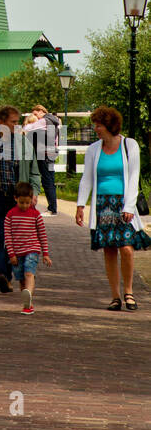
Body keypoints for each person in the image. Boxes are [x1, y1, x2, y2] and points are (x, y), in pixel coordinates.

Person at [76, 105, 151, 310]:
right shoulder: (93, 149)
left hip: (122, 203)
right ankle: (115, 296)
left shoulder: (130, 145)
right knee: (109, 249)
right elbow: (87, 178)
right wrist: (81, 204)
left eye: (98, 125)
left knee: (126, 248)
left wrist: (129, 206)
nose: (96, 129)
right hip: (102, 204)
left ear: (109, 125)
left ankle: (129, 291)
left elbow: (134, 176)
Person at [0, 105, 41, 292]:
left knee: (16, 239)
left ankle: (9, 274)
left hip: (17, 201)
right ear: (1, 123)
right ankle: (2, 275)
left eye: (17, 122)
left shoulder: (24, 144)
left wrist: (34, 192)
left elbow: (34, 172)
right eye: (13, 122)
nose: (16, 126)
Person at [4, 181, 52, 314]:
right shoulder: (10, 215)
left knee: (29, 274)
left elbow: (42, 234)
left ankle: (29, 301)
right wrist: (11, 254)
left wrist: (45, 253)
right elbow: (7, 236)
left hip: (32, 249)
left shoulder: (36, 215)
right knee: (21, 279)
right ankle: (27, 302)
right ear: (15, 199)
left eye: (27, 202)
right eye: (22, 202)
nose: (25, 205)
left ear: (32, 200)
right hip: (17, 252)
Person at [30, 102, 60, 216]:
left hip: (45, 154)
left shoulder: (43, 122)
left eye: (35, 113)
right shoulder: (53, 121)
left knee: (47, 181)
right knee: (50, 180)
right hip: (51, 154)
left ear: (41, 111)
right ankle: (52, 207)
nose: (35, 116)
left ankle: (52, 209)